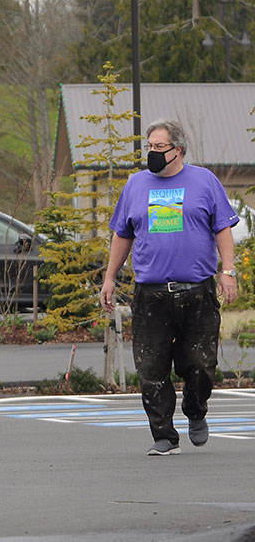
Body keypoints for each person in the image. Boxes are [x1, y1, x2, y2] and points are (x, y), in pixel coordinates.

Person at [101, 119, 239, 456]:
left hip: (197, 290)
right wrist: (109, 276)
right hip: (151, 293)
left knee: (202, 365)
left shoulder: (204, 181)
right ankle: (164, 435)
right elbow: (122, 234)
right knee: (151, 368)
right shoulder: (135, 185)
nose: (152, 152)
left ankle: (195, 409)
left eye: (158, 147)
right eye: (148, 146)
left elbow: (222, 228)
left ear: (178, 149)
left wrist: (228, 270)